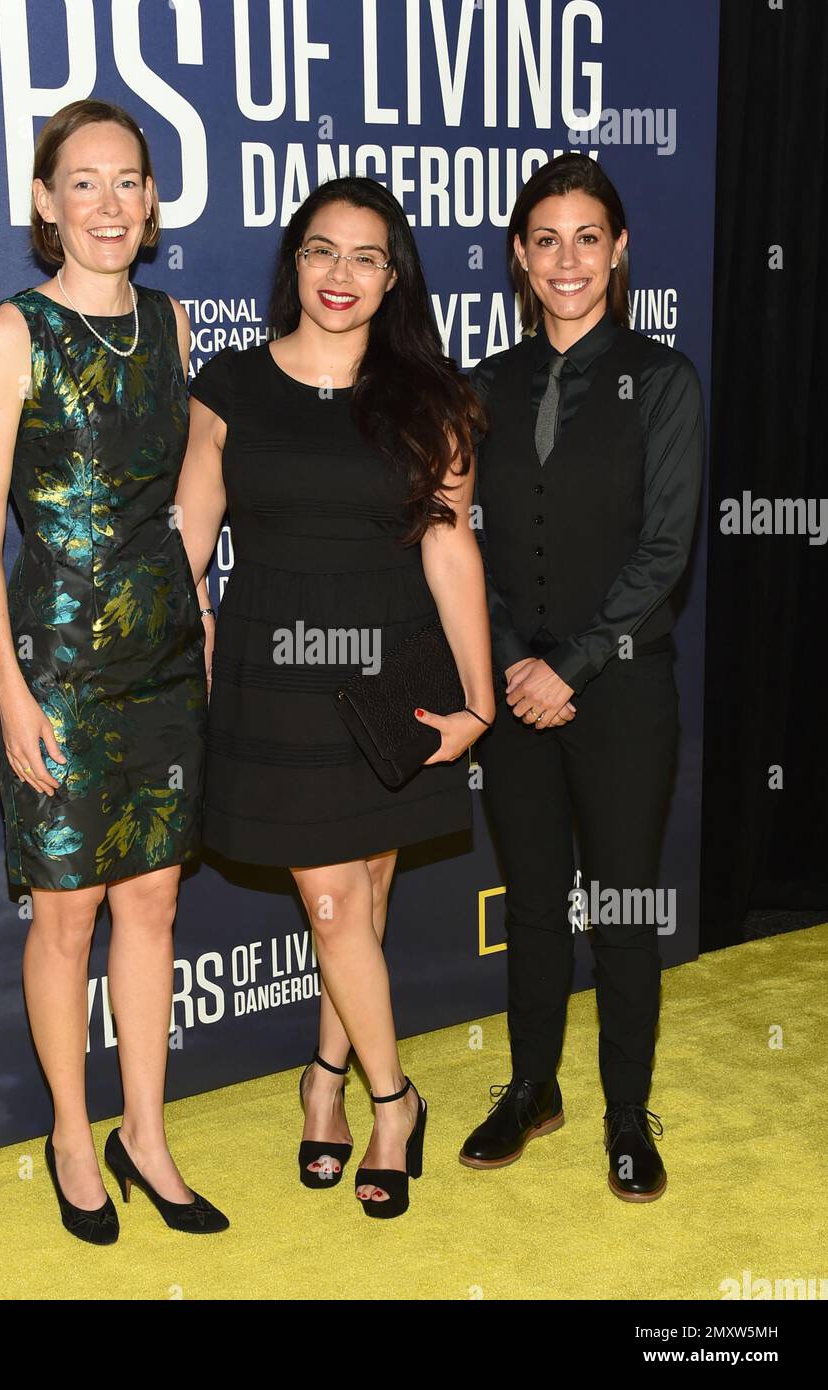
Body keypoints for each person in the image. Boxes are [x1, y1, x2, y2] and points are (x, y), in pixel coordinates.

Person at [176, 176, 494, 1219]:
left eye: (367, 256)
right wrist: (198, 647)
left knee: (363, 892)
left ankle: (325, 1083)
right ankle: (394, 1100)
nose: (342, 275)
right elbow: (187, 543)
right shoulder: (228, 387)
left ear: (393, 276)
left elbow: (451, 551)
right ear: (294, 263)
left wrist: (480, 701)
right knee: (331, 897)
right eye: (323, 251)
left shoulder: (431, 397)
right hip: (275, 675)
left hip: (393, 667)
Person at [0, 99, 227, 1242]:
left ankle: (145, 1133)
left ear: (152, 202)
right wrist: (10, 690)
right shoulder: (11, 333)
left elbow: (186, 485)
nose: (109, 204)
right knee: (66, 915)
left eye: (129, 182)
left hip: (163, 652)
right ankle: (74, 1132)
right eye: (84, 182)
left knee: (155, 902)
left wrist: (203, 610)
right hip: (56, 663)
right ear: (44, 202)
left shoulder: (171, 326)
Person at [460, 153, 704, 1201]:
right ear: (519, 255)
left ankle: (625, 1111)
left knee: (621, 904)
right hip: (517, 692)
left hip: (621, 692)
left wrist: (572, 665)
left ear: (619, 252)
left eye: (587, 239)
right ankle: (531, 1087)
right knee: (534, 904)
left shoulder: (661, 380)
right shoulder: (484, 388)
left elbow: (664, 553)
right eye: (546, 239)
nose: (568, 259)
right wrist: (514, 660)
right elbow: (466, 541)